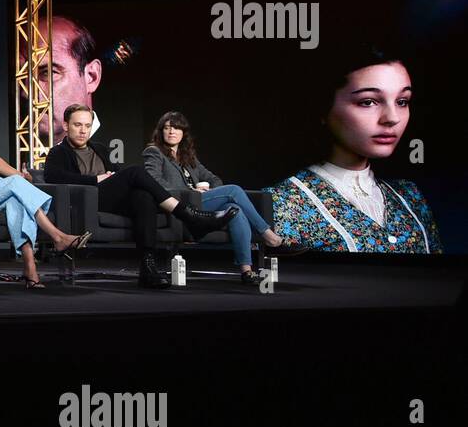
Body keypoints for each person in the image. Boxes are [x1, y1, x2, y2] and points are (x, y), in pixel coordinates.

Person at [265, 46, 441, 253]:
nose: (392, 118)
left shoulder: (410, 197)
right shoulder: (281, 202)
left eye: (402, 101)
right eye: (368, 102)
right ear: (323, 107)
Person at [44, 104, 239, 288]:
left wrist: (111, 176)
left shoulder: (99, 149)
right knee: (136, 172)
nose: (83, 130)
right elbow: (53, 176)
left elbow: (115, 173)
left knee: (142, 196)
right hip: (88, 200)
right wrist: (96, 179)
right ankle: (188, 214)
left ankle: (148, 268)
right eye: (78, 125)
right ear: (66, 125)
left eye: (87, 125)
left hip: (111, 198)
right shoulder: (58, 152)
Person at [142, 111, 303, 284]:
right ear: (161, 132)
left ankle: (246, 271)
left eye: (176, 128)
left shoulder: (187, 157)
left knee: (236, 211)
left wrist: (208, 188)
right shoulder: (154, 152)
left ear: (183, 133)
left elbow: (214, 179)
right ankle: (270, 236)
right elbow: (154, 182)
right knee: (233, 190)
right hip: (179, 205)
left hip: (199, 203)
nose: (171, 132)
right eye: (167, 128)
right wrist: (192, 192)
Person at [0, 107, 90, 288]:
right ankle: (58, 237)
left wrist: (26, 176)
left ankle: (30, 268)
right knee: (14, 184)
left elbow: (19, 177)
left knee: (16, 201)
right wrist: (18, 180)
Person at [38, 15, 104, 144]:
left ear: (91, 77)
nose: (25, 92)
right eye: (19, 78)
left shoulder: (131, 150)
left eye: (48, 72)